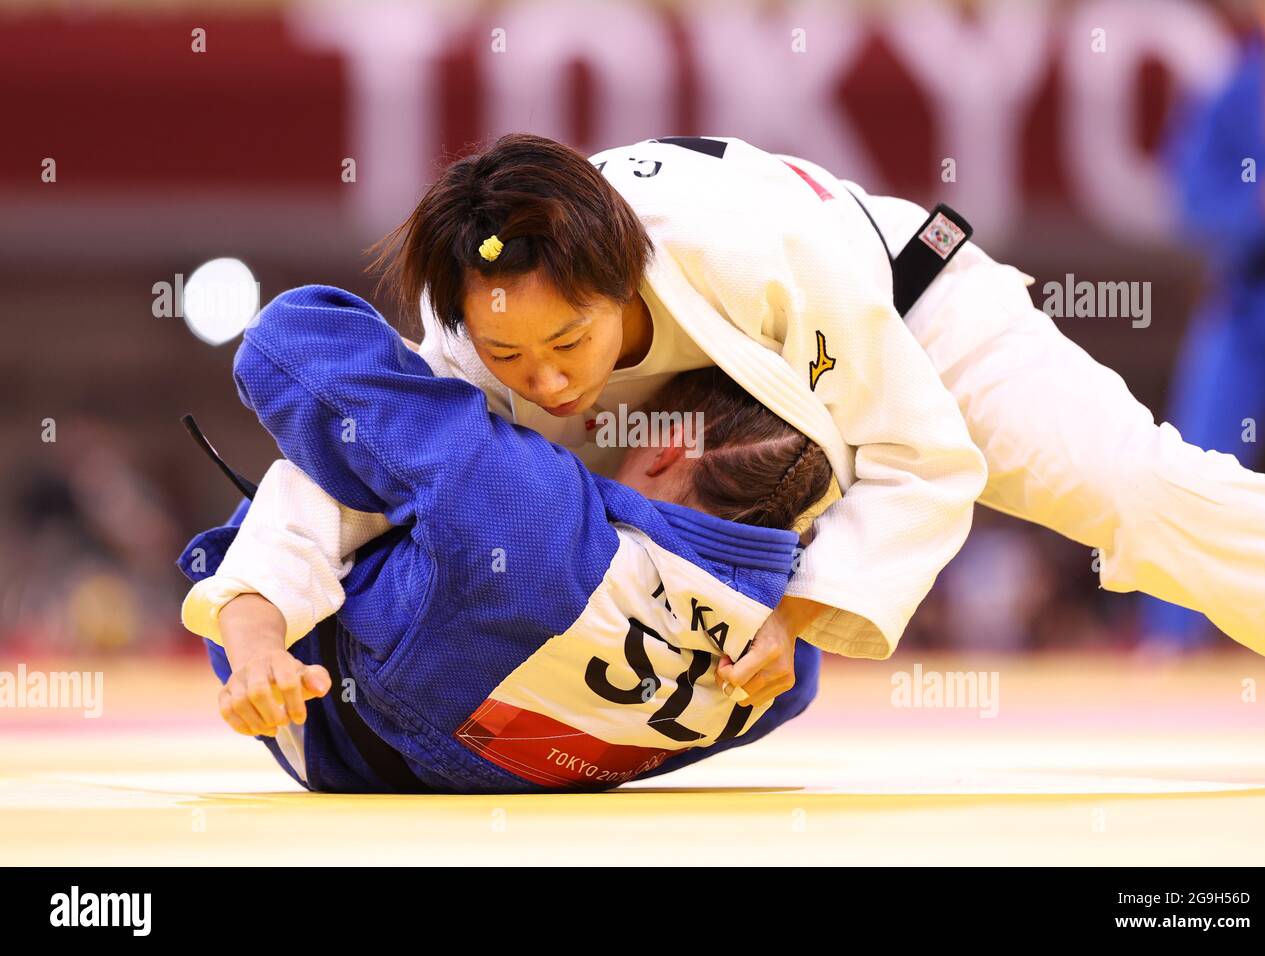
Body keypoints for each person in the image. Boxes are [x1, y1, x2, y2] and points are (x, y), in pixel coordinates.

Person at [204, 131, 1265, 703]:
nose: (542, 385)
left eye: (568, 345)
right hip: (747, 419)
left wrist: (807, 614)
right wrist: (255, 628)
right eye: (509, 356)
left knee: (1134, 490)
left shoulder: (748, 248)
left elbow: (916, 451)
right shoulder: (472, 342)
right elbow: (348, 465)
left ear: (623, 278)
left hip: (916, 320)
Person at [179, 284, 839, 793]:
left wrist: (466, 381)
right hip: (427, 767)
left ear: (670, 446)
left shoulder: (530, 509)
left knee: (356, 460)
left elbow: (288, 338)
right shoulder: (784, 674)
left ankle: (255, 638)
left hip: (313, 702)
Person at [1143, 0, 1265, 652]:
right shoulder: (1235, 88)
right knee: (1199, 464)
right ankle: (1171, 640)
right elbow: (1191, 202)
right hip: (1249, 304)